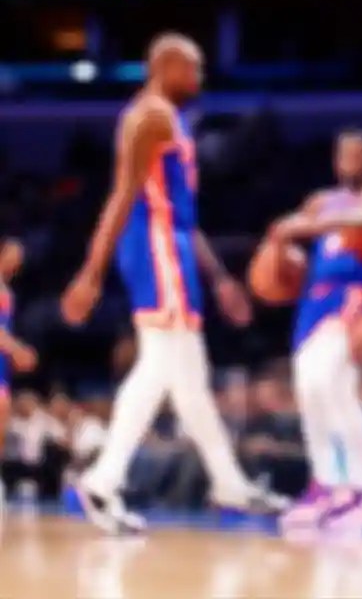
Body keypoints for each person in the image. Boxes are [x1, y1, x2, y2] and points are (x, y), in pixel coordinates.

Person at [60, 33, 286, 534]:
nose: (201, 79)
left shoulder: (174, 120)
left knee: (189, 379)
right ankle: (101, 480)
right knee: (162, 363)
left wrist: (221, 278)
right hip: (155, 247)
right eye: (194, 68)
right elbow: (121, 196)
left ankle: (228, 484)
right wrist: (90, 273)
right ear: (163, 66)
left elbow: (185, 216)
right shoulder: (149, 116)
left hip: (174, 244)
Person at [270, 129, 362, 533]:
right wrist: (280, 253)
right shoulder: (321, 201)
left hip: (351, 299)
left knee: (329, 384)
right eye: (343, 153)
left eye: (359, 153)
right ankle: (326, 485)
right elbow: (287, 240)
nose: (350, 160)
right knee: (313, 391)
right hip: (314, 302)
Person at [0, 238, 37, 509]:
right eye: (14, 255)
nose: (18, 262)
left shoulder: (8, 291)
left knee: (2, 415)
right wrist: (17, 350)